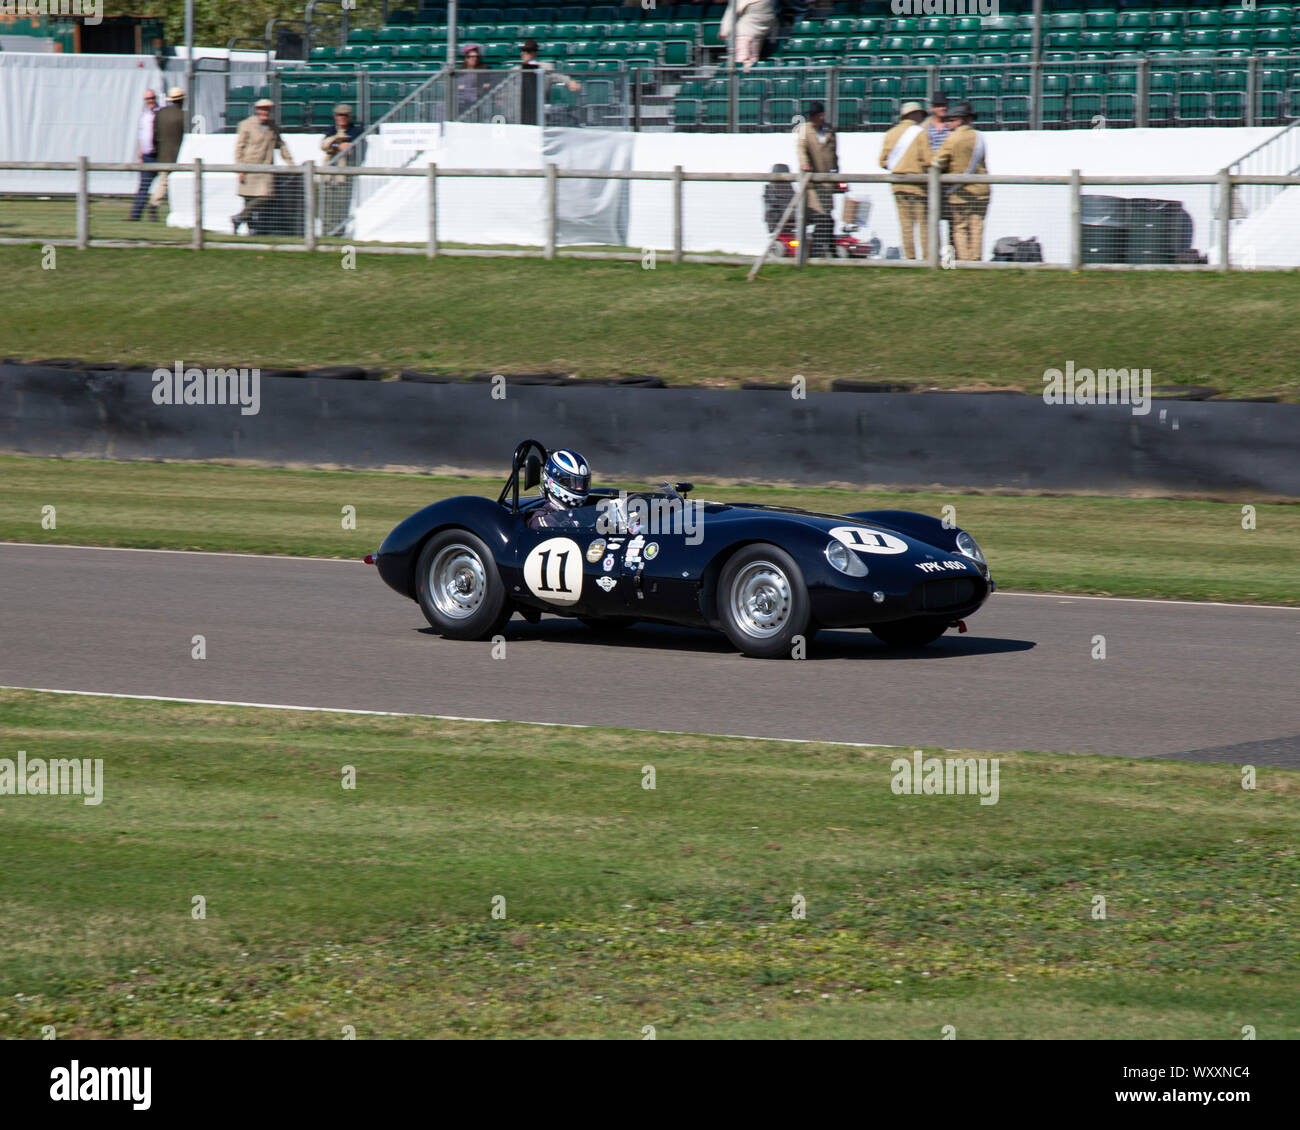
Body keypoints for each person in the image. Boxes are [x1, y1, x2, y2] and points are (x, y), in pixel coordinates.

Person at [932, 100, 990, 262]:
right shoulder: (979, 136)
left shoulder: (952, 139)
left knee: (960, 227)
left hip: (960, 192)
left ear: (959, 121)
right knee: (977, 227)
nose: (947, 123)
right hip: (982, 190)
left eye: (950, 120)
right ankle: (976, 259)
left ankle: (965, 261)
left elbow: (938, 162)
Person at [231, 98, 296, 235]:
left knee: (266, 195)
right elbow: (239, 148)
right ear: (257, 110)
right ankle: (251, 230)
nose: (264, 112)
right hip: (249, 168)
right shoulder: (245, 125)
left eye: (267, 109)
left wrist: (290, 162)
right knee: (247, 199)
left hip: (266, 170)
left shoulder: (273, 128)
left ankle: (238, 218)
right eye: (262, 109)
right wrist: (240, 168)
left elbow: (281, 146)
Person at [879, 101, 933, 261]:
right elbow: (928, 159)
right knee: (923, 224)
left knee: (906, 226)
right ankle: (927, 259)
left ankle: (910, 258)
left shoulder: (891, 133)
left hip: (898, 185)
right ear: (914, 115)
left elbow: (883, 161)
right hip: (918, 185)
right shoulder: (920, 133)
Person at [795, 101, 838, 258]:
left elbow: (834, 156)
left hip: (827, 183)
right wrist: (804, 163)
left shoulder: (830, 131)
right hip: (812, 184)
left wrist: (837, 174)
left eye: (815, 116)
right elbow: (801, 149)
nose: (812, 119)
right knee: (822, 218)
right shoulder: (804, 130)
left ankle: (827, 252)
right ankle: (816, 254)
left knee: (828, 219)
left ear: (822, 116)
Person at [320, 103, 364, 235]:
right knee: (327, 204)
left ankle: (338, 233)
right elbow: (324, 145)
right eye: (339, 115)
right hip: (329, 173)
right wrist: (336, 144)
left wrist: (334, 144)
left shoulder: (355, 131)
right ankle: (326, 233)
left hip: (344, 174)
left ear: (350, 117)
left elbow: (350, 148)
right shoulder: (331, 130)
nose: (342, 118)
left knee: (340, 205)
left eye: (345, 115)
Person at [518, 38, 580, 126]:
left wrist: (570, 82)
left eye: (528, 51)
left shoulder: (545, 68)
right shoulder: (516, 71)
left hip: (538, 108)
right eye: (523, 51)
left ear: (535, 53)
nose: (525, 53)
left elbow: (559, 76)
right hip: (520, 109)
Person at [147, 87, 186, 220]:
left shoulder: (160, 114)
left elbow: (154, 135)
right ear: (181, 100)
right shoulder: (184, 116)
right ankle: (155, 205)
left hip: (163, 155)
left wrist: (157, 150)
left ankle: (154, 204)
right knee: (171, 183)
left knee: (163, 182)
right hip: (179, 155)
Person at [527, 449, 591, 530]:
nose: (580, 488)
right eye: (574, 483)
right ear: (552, 481)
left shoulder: (582, 512)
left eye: (582, 483)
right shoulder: (545, 521)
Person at [127, 89, 159, 221]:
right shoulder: (144, 116)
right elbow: (142, 137)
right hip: (147, 156)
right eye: (147, 99)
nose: (150, 101)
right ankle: (135, 214)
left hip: (158, 154)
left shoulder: (160, 114)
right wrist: (140, 154)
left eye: (152, 98)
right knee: (143, 186)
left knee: (164, 185)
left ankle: (153, 210)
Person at [720, 0, 775, 71]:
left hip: (744, 35)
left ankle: (744, 78)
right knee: (750, 61)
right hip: (755, 34)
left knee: (742, 62)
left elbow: (732, 13)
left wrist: (724, 31)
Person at [456, 44, 494, 116]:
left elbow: (487, 85)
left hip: (478, 102)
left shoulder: (484, 70)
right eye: (472, 57)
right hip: (462, 103)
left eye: (476, 57)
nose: (475, 59)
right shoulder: (460, 72)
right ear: (466, 58)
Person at [763, 162, 795, 236]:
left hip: (793, 218)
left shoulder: (790, 189)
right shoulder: (770, 190)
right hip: (779, 218)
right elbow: (770, 208)